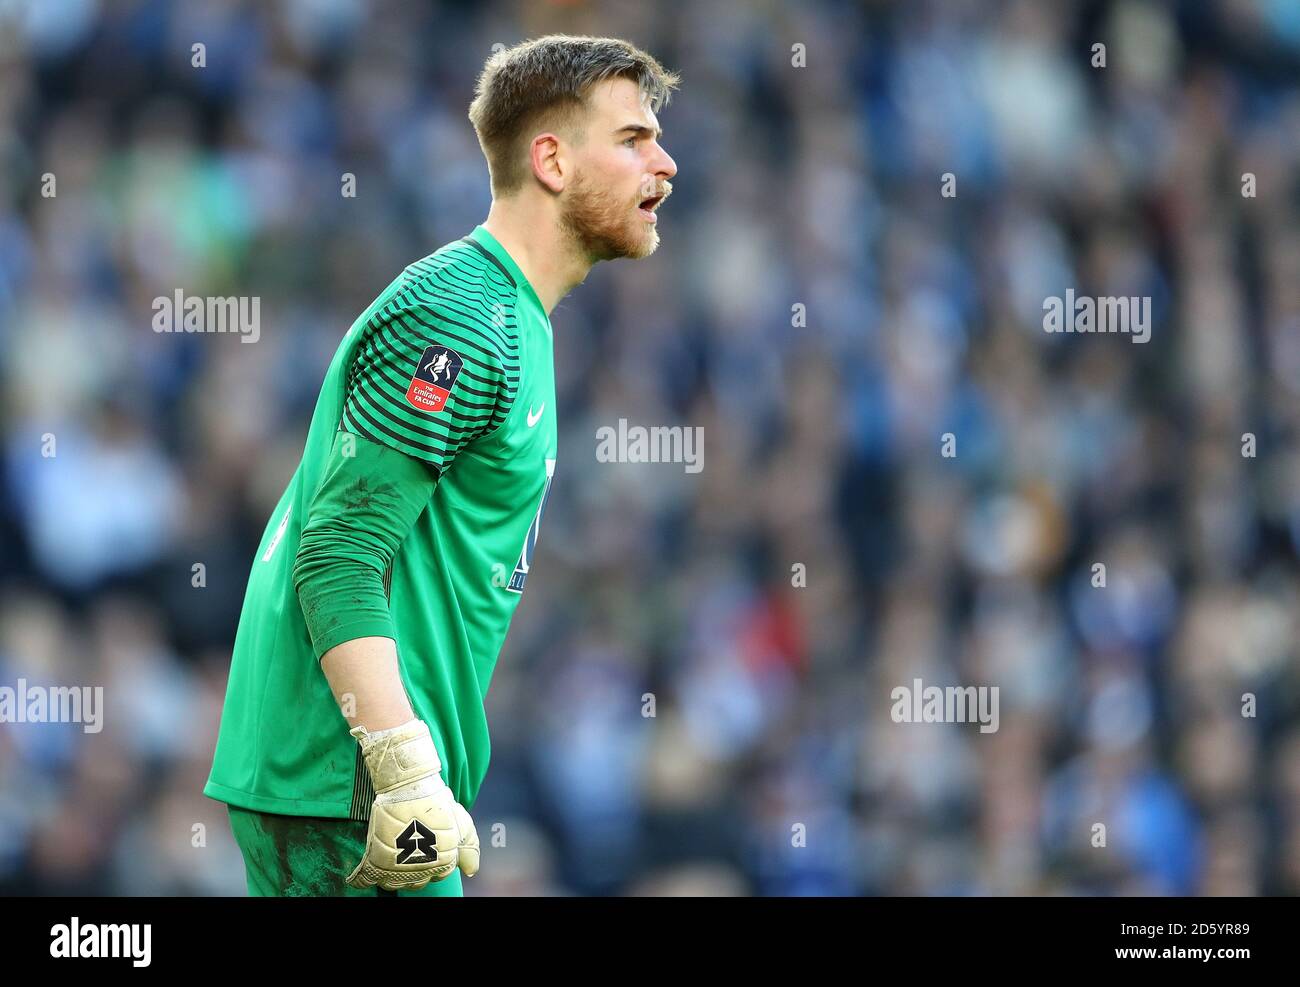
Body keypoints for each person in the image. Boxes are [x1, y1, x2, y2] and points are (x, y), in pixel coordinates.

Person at [203, 34, 679, 896]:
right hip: (354, 785)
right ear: (552, 161)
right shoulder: (461, 315)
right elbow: (337, 554)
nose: (666, 163)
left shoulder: (513, 317)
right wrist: (404, 769)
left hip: (355, 781)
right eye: (634, 139)